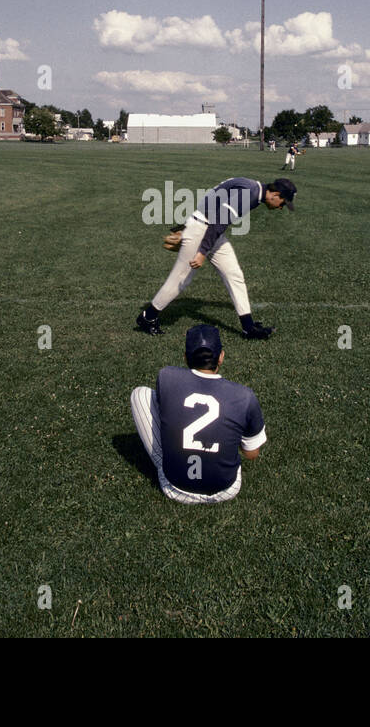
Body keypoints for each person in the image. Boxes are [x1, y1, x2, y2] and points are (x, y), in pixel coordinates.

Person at [136, 177, 295, 339]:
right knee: (181, 279)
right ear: (275, 194)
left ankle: (249, 328)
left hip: (209, 229)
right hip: (204, 230)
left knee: (234, 274)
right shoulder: (251, 193)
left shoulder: (253, 187)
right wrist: (201, 250)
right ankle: (147, 317)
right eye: (283, 203)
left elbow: (215, 197)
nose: (281, 208)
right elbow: (220, 219)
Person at [129, 324, 266, 504]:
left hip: (175, 488)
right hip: (226, 490)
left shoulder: (167, 376)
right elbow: (251, 454)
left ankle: (168, 463)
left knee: (140, 394)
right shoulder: (244, 395)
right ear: (221, 357)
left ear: (185, 358)